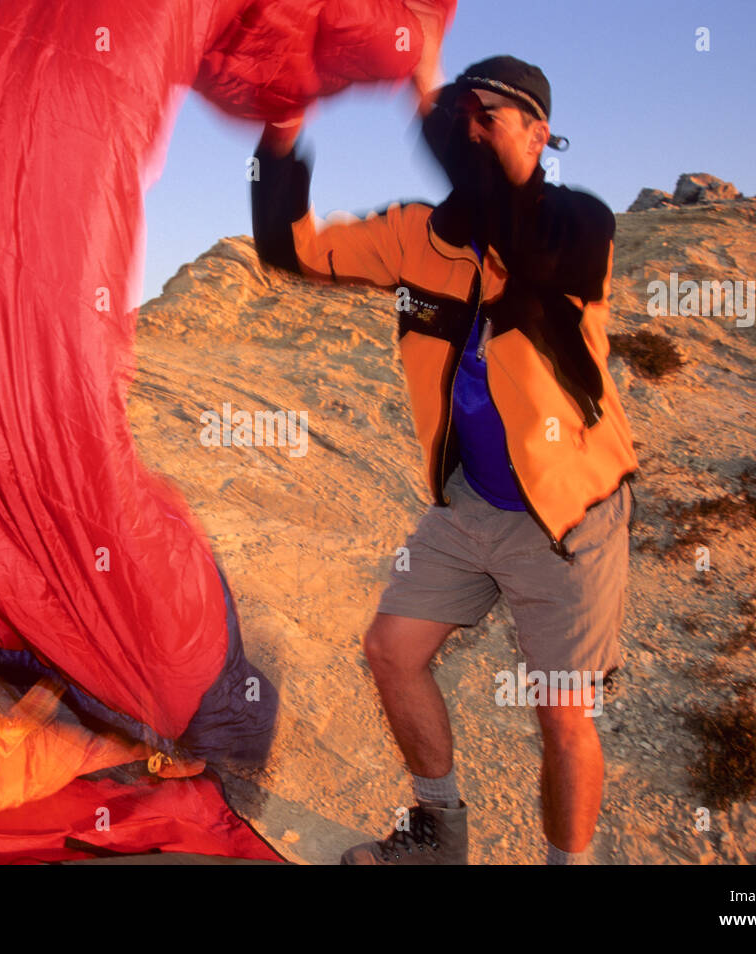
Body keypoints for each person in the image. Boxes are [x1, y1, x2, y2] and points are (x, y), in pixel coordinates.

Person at [250, 54, 639, 864]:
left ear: (539, 135)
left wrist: (429, 94)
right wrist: (280, 133)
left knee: (561, 713)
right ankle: (437, 833)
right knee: (391, 651)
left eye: (487, 113)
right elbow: (291, 248)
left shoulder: (577, 227)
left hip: (567, 512)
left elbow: (514, 231)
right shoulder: (416, 238)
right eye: (464, 110)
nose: (467, 124)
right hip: (469, 505)